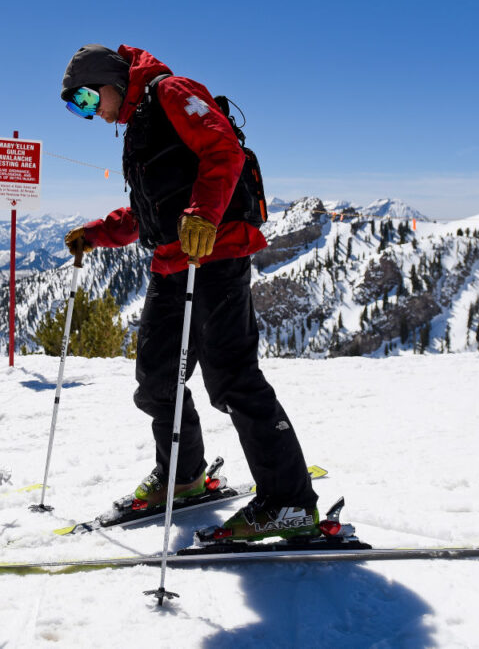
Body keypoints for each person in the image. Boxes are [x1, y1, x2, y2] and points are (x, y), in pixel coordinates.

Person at [59, 44, 319, 541]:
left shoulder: (172, 93)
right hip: (171, 264)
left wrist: (203, 213)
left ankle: (289, 502)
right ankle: (183, 476)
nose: (90, 114)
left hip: (215, 255)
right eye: (77, 109)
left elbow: (224, 150)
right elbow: (151, 212)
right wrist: (96, 233)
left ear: (112, 80)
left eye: (87, 100)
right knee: (156, 380)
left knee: (233, 380)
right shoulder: (140, 125)